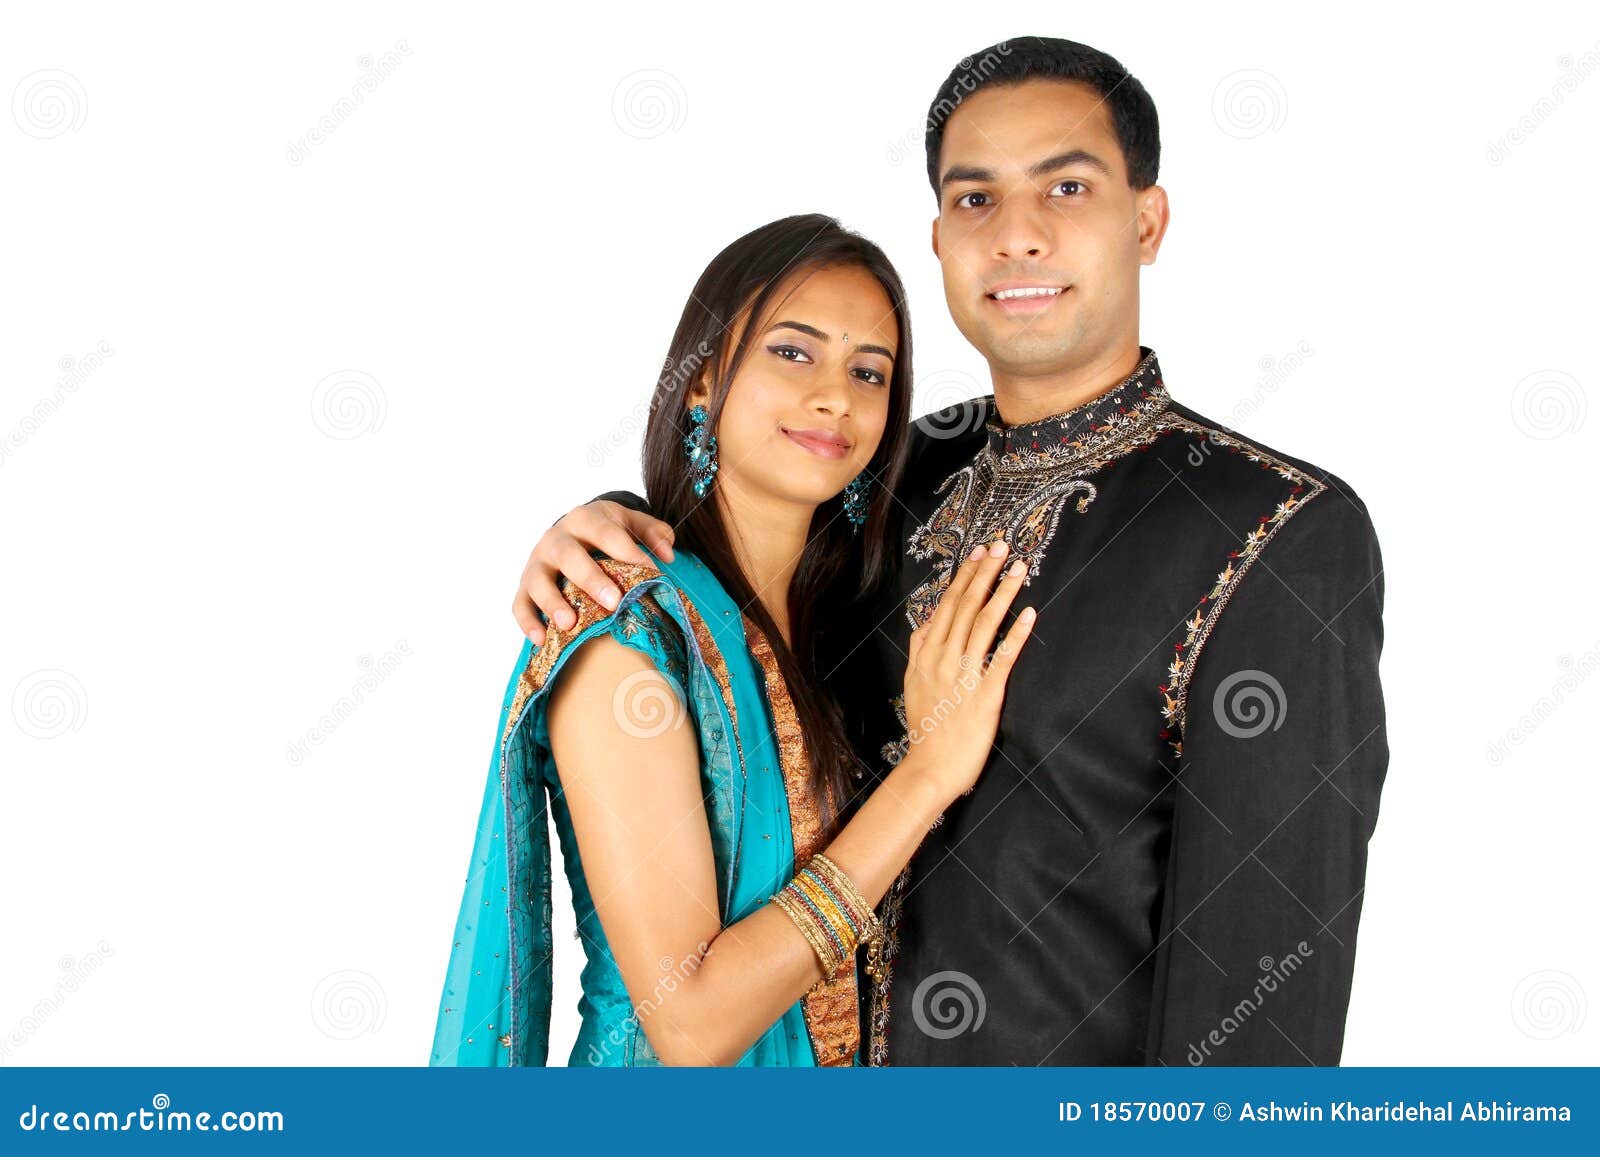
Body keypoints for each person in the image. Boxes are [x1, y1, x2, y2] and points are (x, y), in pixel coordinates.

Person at [509, 39, 1389, 1066]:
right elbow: (731, 580)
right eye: (975, 200)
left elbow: (1262, 1006)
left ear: (1145, 221)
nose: (1017, 235)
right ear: (937, 238)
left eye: (1066, 186)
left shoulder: (1270, 529)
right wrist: (609, 525)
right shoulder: (883, 474)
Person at [430, 213, 1038, 1067]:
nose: (836, 395)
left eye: (870, 370)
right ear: (703, 379)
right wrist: (930, 773)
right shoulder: (624, 633)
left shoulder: (850, 616)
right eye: (793, 352)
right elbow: (694, 1024)